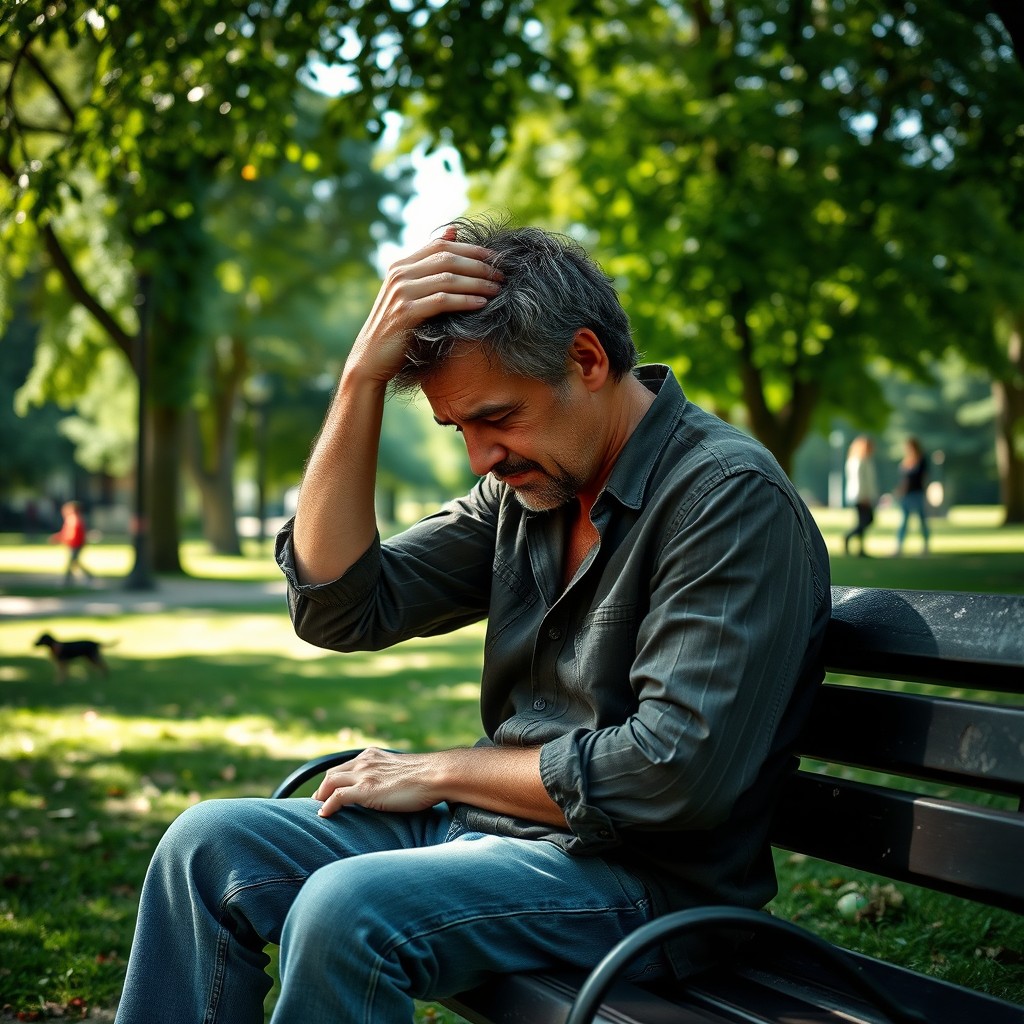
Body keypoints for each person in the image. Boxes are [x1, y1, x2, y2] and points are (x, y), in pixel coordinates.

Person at [114, 217, 831, 1024]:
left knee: (346, 908)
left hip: (641, 883)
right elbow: (341, 607)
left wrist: (437, 769)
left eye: (498, 417)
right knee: (204, 846)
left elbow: (671, 775)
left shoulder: (725, 498)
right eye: (460, 430)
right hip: (486, 839)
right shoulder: (530, 489)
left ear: (587, 360)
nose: (481, 458)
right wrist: (358, 382)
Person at [842, 435, 878, 557]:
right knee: (866, 520)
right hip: (861, 496)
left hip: (862, 495)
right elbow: (859, 481)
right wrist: (864, 496)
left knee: (863, 521)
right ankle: (848, 537)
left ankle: (860, 548)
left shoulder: (863, 460)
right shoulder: (858, 461)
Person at [894, 436, 930, 556]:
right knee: (904, 520)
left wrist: (926, 494)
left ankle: (925, 545)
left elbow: (924, 478)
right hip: (907, 495)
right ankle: (899, 545)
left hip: (917, 493)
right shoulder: (906, 461)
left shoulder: (921, 460)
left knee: (922, 520)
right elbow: (904, 480)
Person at [49, 500, 93, 587]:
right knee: (75, 562)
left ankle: (67, 581)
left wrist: (61, 539)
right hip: (75, 544)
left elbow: (71, 535)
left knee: (72, 562)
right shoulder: (75, 519)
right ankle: (87, 576)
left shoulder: (73, 519)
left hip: (75, 545)